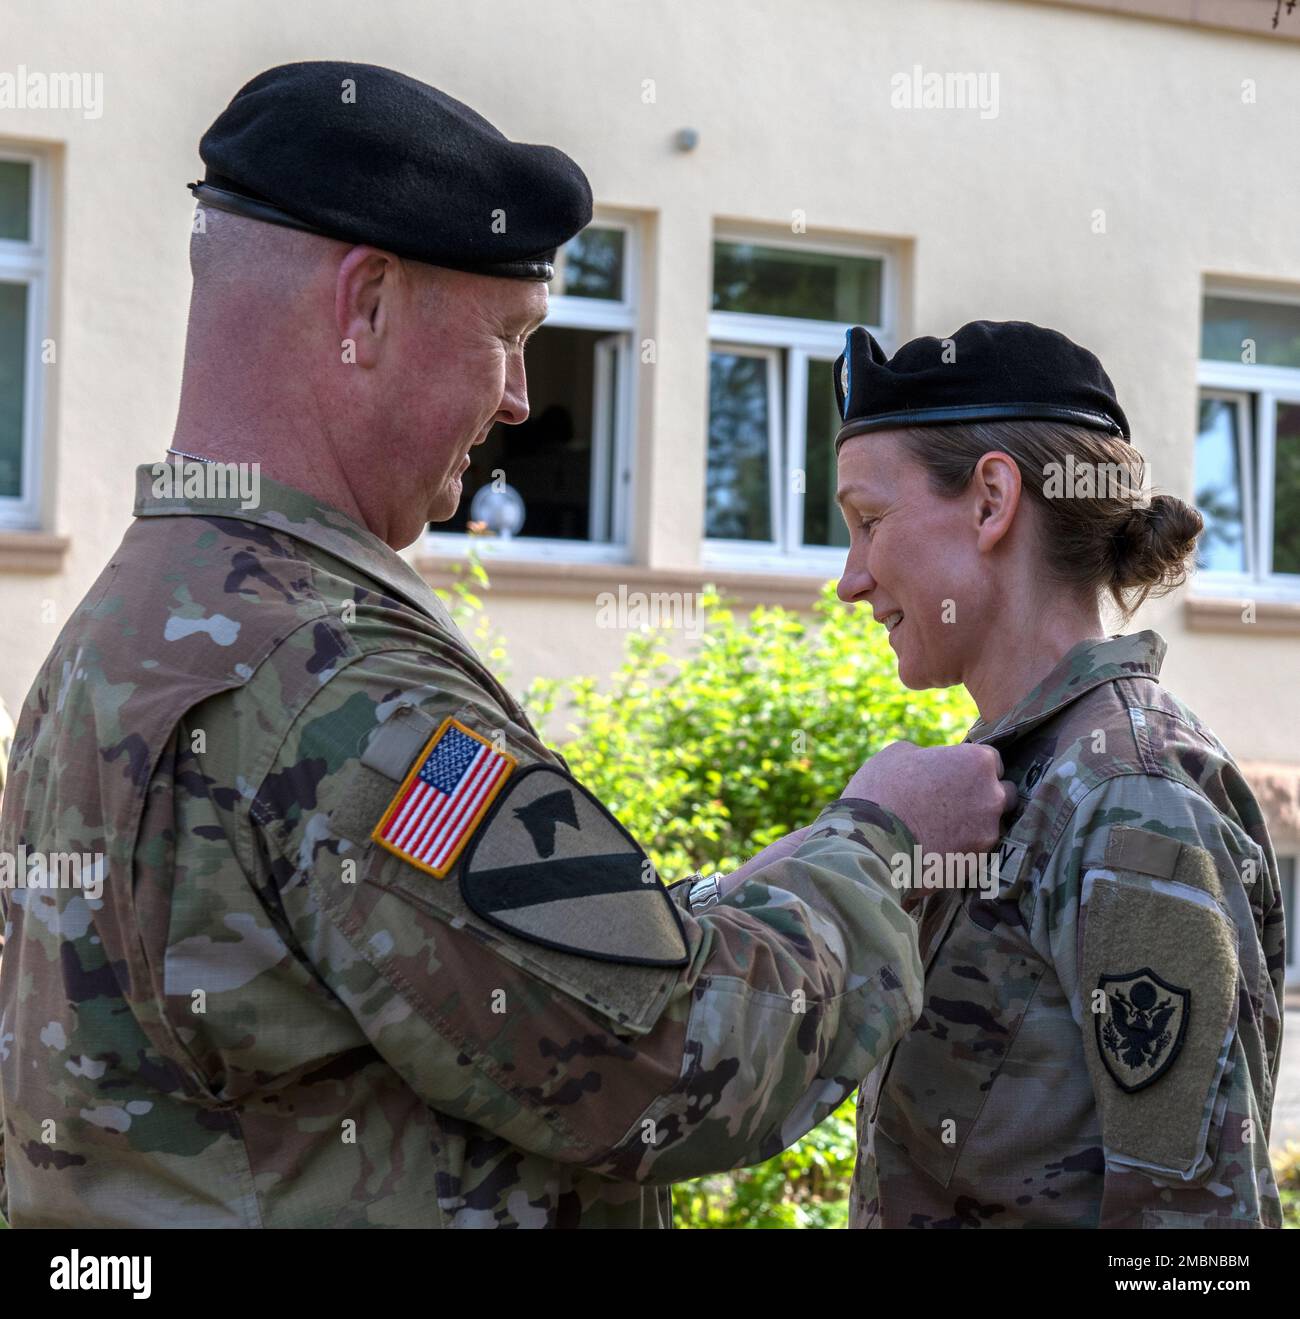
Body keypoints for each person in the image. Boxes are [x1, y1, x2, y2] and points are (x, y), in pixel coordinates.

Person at [0, 62, 1013, 1229]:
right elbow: (671, 1057)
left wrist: (765, 883)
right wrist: (880, 844)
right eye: (509, 335)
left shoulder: (134, 623)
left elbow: (508, 965)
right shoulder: (336, 685)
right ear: (365, 307)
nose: (524, 398)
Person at [832, 320, 1286, 1228]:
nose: (851, 578)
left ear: (992, 501)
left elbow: (1196, 1247)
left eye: (869, 522)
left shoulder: (1127, 798)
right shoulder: (1014, 774)